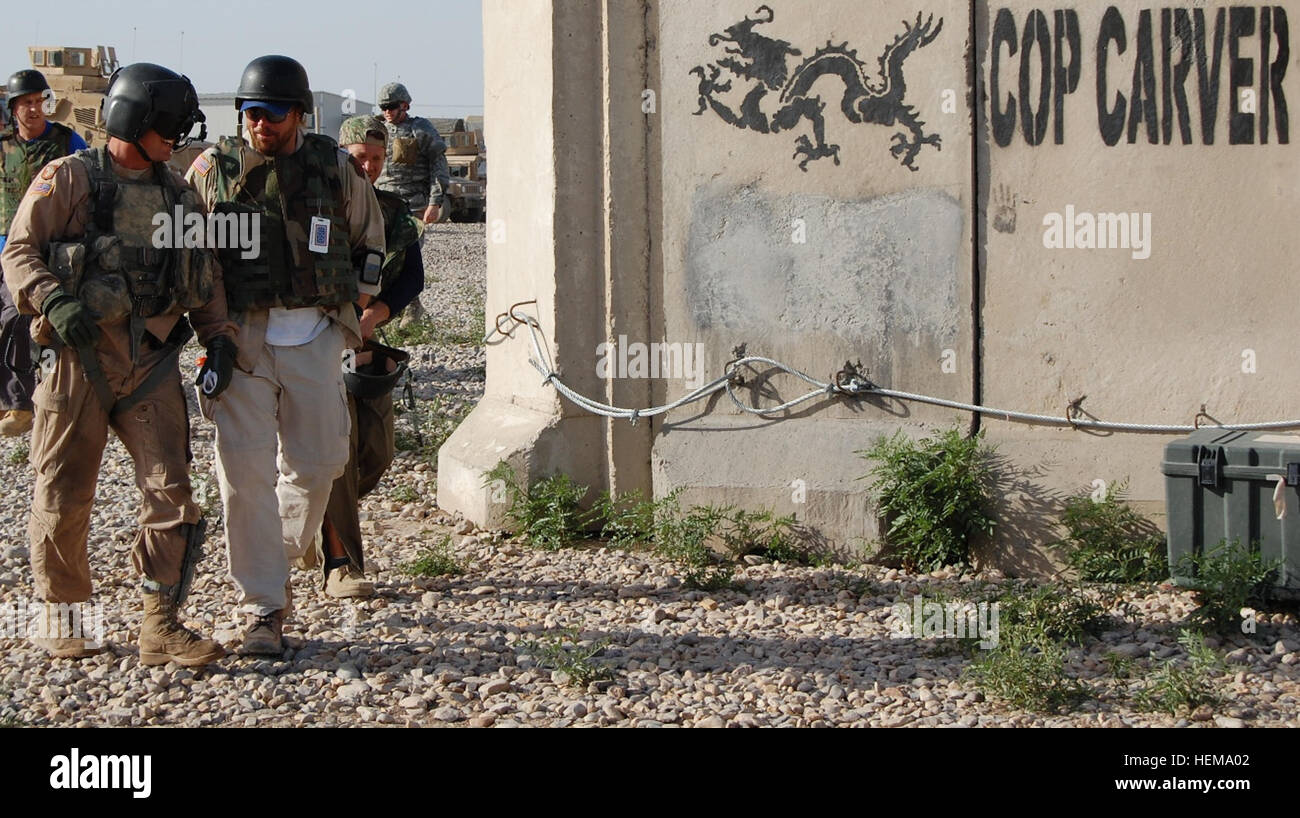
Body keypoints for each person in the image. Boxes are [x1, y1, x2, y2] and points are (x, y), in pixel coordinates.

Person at [1, 62, 233, 665]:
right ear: (138, 119)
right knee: (63, 493)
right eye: (170, 126)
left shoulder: (178, 193)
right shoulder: (69, 178)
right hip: (79, 363)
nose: (177, 138)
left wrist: (220, 339)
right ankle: (66, 617)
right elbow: (20, 251)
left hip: (152, 360)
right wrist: (53, 297)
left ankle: (161, 623)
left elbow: (203, 277)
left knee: (172, 492)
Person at [185, 55, 385, 655]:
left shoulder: (334, 168)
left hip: (314, 337)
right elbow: (185, 246)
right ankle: (264, 609)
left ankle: (281, 548)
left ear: (297, 113)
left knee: (321, 463)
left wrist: (354, 315)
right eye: (250, 113)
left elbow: (369, 243)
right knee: (243, 478)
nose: (259, 125)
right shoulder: (212, 170)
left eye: (271, 113)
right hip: (239, 341)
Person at [314, 115, 425, 598]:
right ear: (343, 155)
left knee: (377, 453)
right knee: (337, 451)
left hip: (365, 346)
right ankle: (342, 562)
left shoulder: (393, 213)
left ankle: (312, 516)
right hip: (317, 347)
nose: (369, 166)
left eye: (377, 159)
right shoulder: (317, 205)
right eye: (360, 157)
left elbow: (411, 278)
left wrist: (376, 313)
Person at [0, 69, 88, 436]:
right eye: (27, 104)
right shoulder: (3, 146)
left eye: (39, 102)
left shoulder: (67, 142)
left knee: (21, 320)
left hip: (50, 248)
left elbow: (90, 184)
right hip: (7, 245)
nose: (35, 110)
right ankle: (15, 400)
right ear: (14, 109)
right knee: (6, 321)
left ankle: (30, 401)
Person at [374, 81, 447, 326]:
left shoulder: (420, 129)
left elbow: (438, 164)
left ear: (405, 105)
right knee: (382, 257)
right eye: (384, 106)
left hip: (412, 206)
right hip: (382, 204)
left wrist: (435, 202)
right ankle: (393, 307)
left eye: (392, 106)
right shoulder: (376, 129)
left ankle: (410, 308)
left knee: (406, 258)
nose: (387, 111)